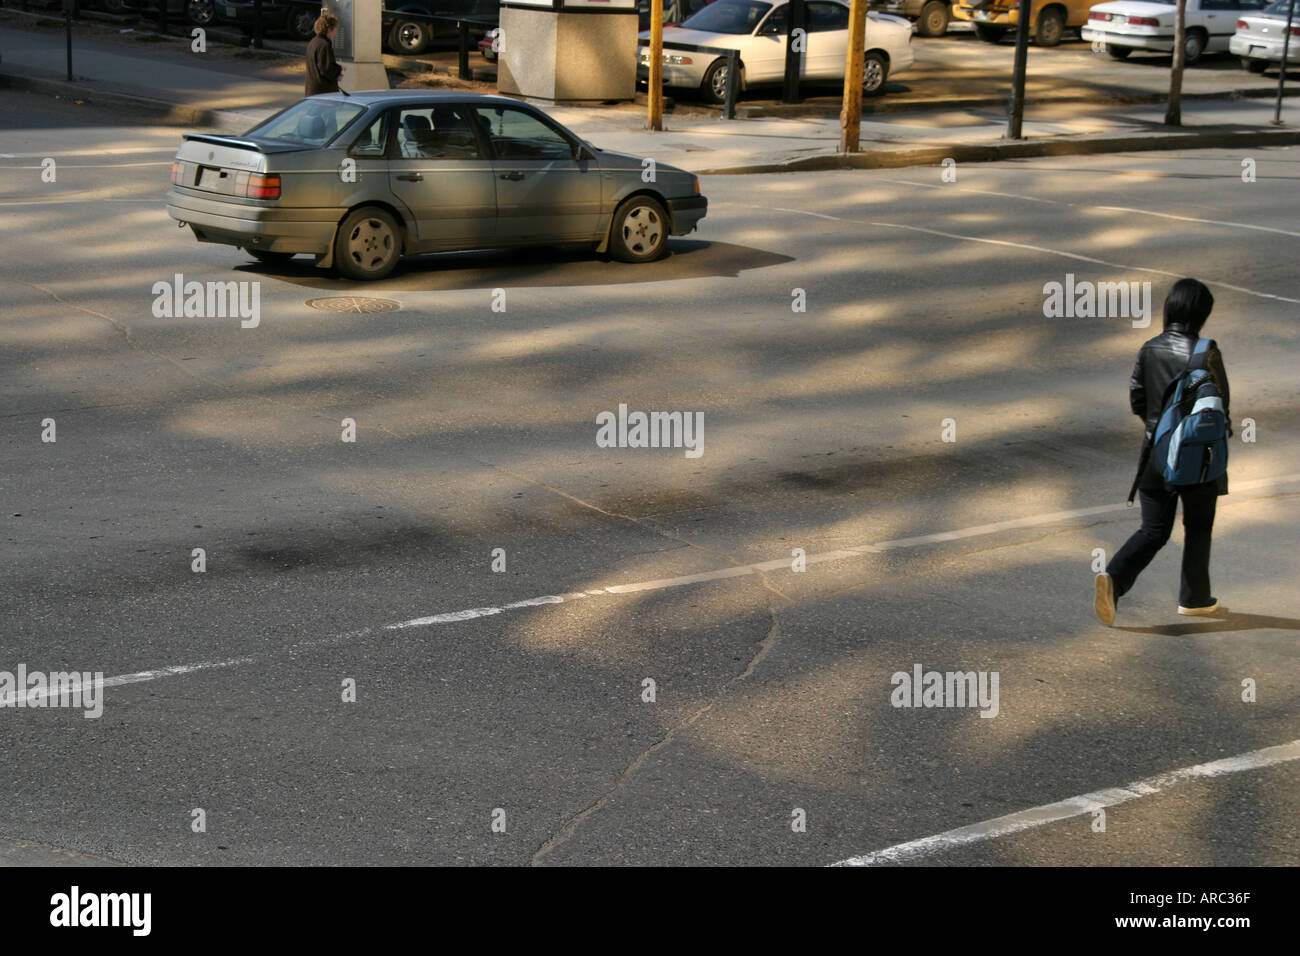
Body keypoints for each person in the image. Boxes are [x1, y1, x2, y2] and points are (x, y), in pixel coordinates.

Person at [1095, 278, 1230, 626]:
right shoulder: (1206, 351)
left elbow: (1137, 398)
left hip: (1155, 454)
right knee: (1198, 527)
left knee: (1153, 530)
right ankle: (1195, 599)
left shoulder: (1149, 347)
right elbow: (1220, 407)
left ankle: (1113, 578)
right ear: (1201, 313)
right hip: (1198, 460)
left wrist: (1163, 430)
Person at [305, 12, 344, 97]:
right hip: (324, 92)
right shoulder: (324, 45)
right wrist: (339, 71)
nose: (336, 32)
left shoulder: (313, 42)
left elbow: (320, 64)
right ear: (329, 29)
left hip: (312, 90)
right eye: (335, 29)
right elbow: (326, 68)